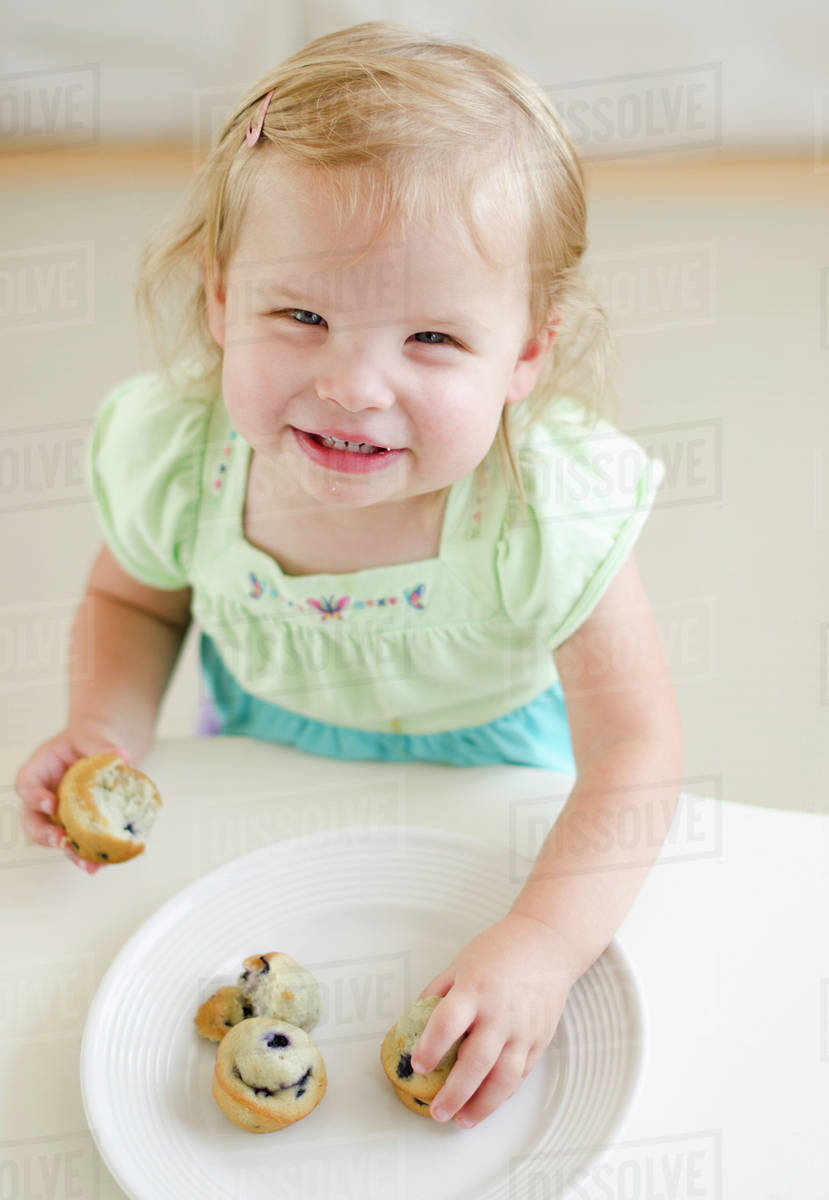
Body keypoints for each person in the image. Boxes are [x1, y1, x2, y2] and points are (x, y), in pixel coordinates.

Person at [15, 21, 682, 1129]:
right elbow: (132, 600)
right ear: (222, 298)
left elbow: (638, 750)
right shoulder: (184, 464)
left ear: (526, 353)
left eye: (430, 338)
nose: (354, 385)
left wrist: (542, 945)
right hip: (264, 747)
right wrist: (106, 725)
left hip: (493, 781)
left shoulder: (546, 516)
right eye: (303, 316)